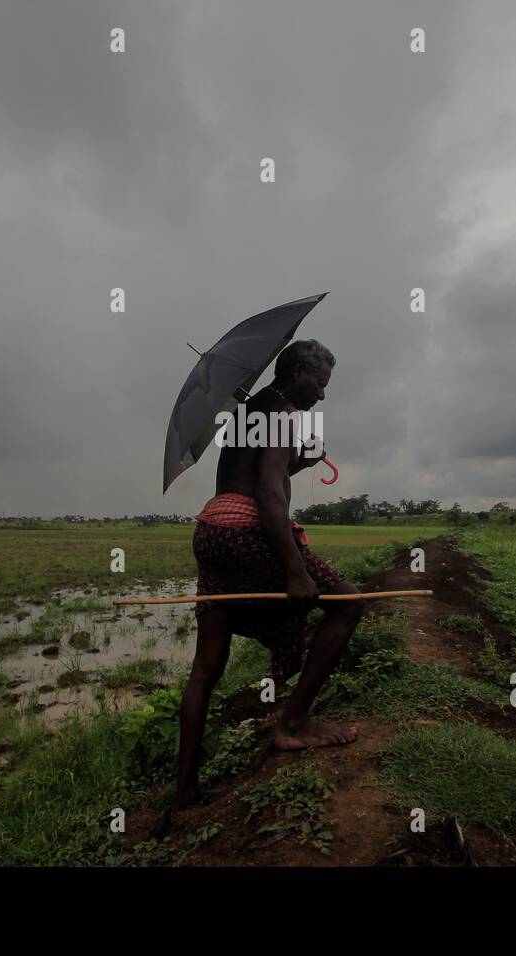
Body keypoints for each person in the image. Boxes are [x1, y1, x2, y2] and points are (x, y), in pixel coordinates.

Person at [173, 339, 362, 810]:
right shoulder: (278, 414)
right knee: (347, 604)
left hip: (213, 529)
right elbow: (268, 496)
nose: (321, 395)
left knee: (205, 670)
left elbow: (262, 473)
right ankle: (294, 723)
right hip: (246, 531)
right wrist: (296, 573)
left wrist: (303, 461)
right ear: (296, 372)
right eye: (319, 383)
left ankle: (184, 789)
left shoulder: (252, 409)